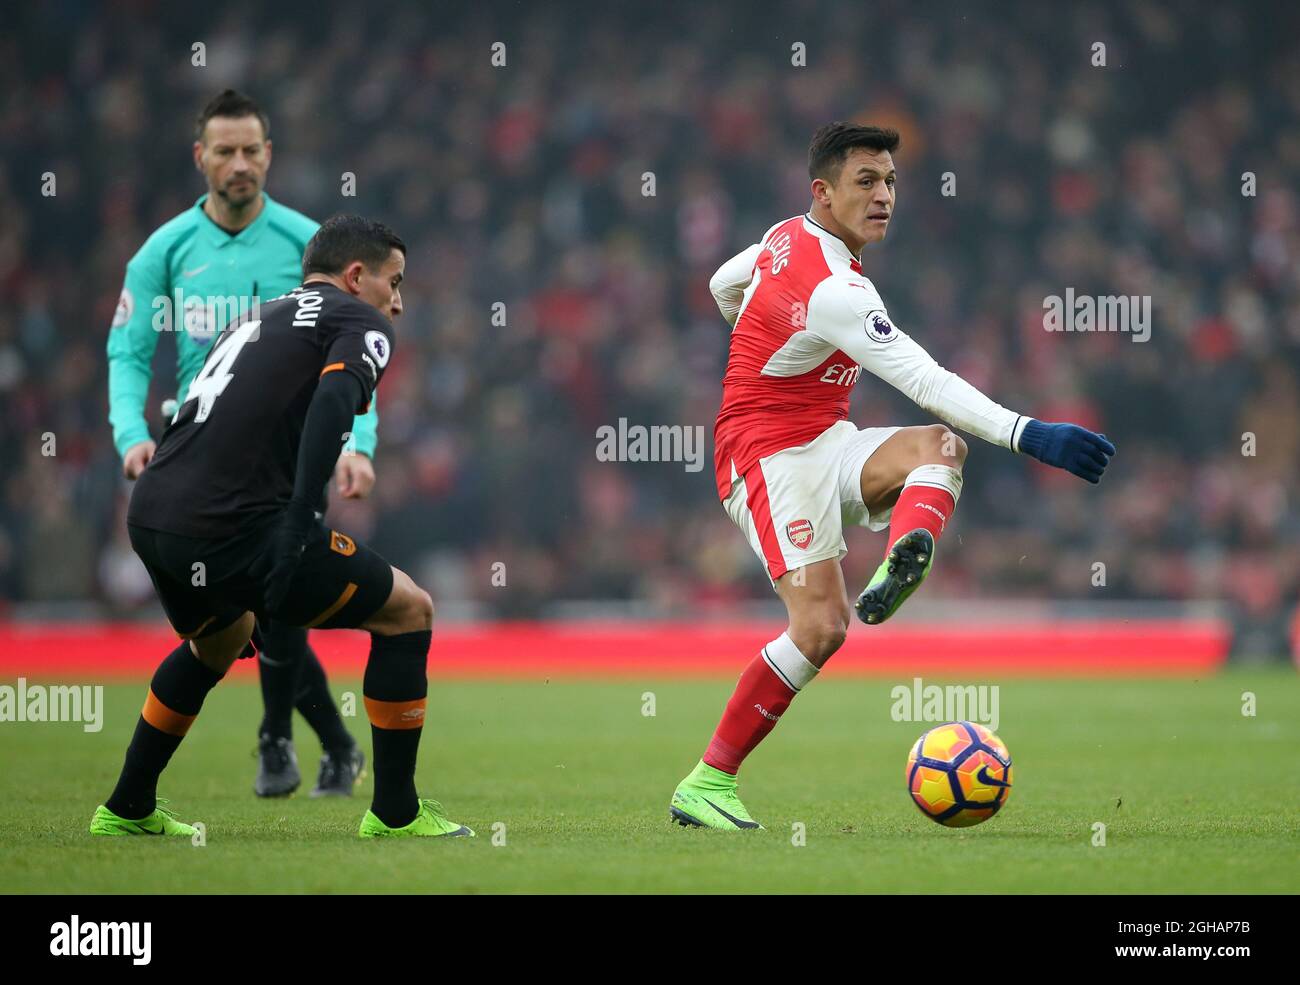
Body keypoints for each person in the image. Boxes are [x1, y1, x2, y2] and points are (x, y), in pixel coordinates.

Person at [670, 123, 1115, 830]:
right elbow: (926, 378)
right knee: (819, 629)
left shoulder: (786, 236)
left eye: (891, 183)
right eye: (866, 183)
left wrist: (754, 327)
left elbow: (725, 282)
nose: (884, 198)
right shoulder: (835, 289)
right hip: (764, 456)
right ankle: (707, 782)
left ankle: (903, 560)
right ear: (824, 192)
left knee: (939, 449)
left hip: (825, 438)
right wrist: (1032, 434)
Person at [91, 215, 471, 839]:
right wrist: (299, 519)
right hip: (236, 522)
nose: (398, 303)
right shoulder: (358, 319)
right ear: (356, 276)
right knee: (410, 609)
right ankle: (397, 813)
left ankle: (127, 806)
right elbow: (331, 402)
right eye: (394, 282)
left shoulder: (255, 317)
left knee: (216, 642)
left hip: (155, 514)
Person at [106, 89, 374, 798]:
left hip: (285, 451)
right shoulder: (165, 250)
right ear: (200, 157)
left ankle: (277, 741)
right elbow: (128, 350)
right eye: (224, 150)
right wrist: (131, 433)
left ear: (269, 155)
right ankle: (326, 743)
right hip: (193, 449)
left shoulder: (307, 246)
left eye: (252, 149)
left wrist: (358, 443)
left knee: (271, 599)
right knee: (252, 613)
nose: (239, 164)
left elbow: (357, 356)